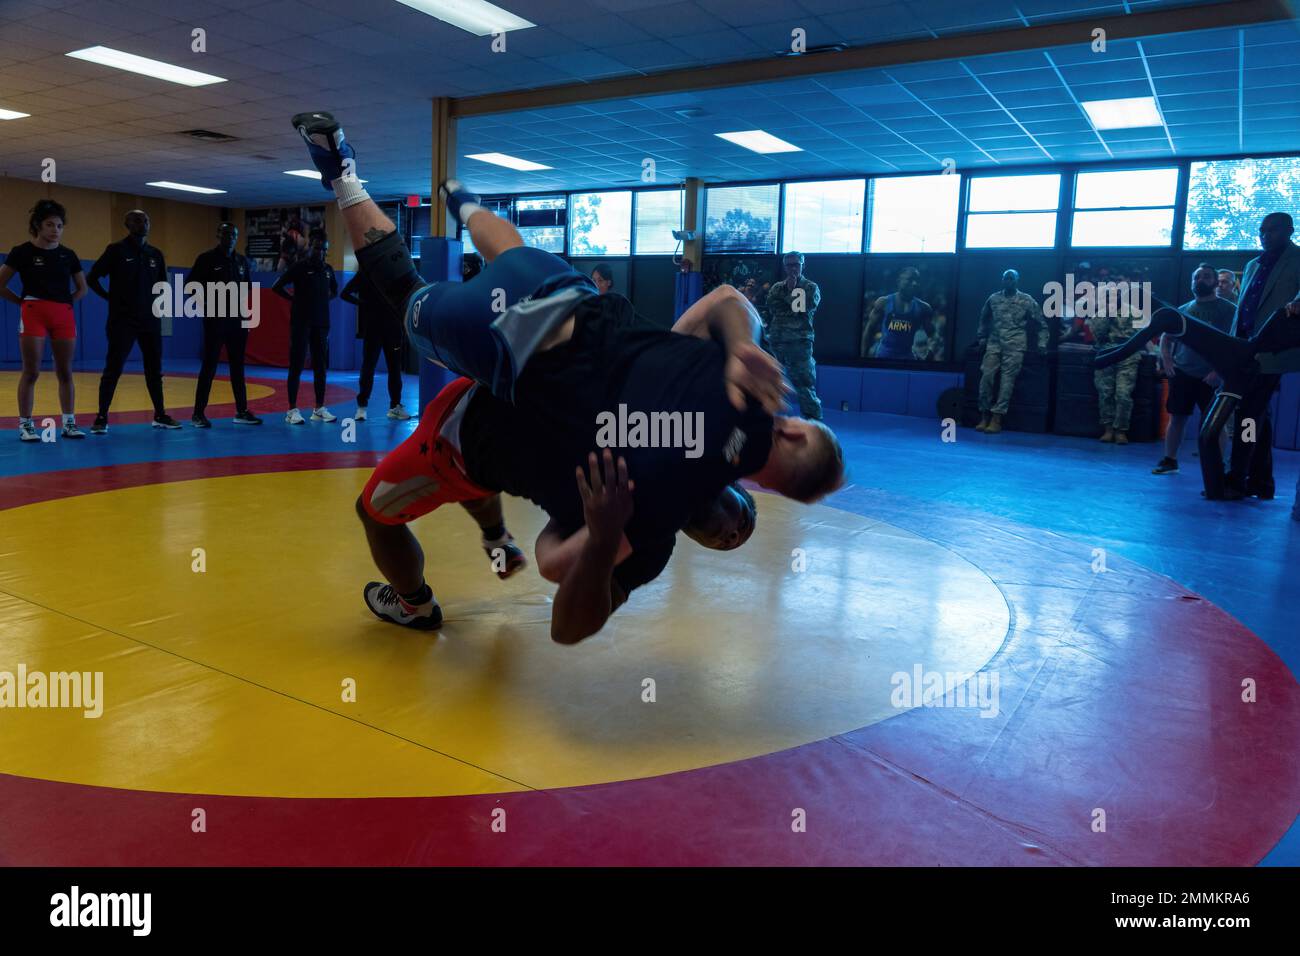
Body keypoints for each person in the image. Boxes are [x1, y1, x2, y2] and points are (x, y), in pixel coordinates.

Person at [291, 110, 841, 641]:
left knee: (493, 266)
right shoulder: (716, 409)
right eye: (737, 527)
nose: (728, 533)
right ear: (741, 482)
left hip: (498, 387)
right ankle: (416, 195)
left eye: (725, 542)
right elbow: (723, 304)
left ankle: (443, 200)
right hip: (515, 354)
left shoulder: (644, 527)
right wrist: (743, 343)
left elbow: (561, 595)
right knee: (452, 277)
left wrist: (603, 539)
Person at [1094, 298, 1300, 499]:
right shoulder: (1174, 313)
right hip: (1243, 361)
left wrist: (1100, 360)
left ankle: (1242, 482)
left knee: (1243, 428)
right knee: (1251, 425)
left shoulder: (1167, 315)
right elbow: (1133, 344)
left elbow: (1130, 346)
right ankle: (1254, 483)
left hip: (1243, 365)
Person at [1224, 212, 1300, 498]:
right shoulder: (1253, 264)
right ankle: (1262, 482)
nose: (1265, 235)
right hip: (1243, 348)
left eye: (1273, 230)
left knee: (1247, 415)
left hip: (1272, 351)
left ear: (1290, 231)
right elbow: (1243, 309)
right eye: (1262, 230)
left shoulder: (1297, 259)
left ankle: (1236, 478)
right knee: (1258, 417)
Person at [0, 200, 88, 440]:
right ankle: (26, 424)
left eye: (60, 226)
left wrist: (65, 304)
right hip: (33, 312)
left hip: (63, 314)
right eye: (50, 225)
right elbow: (0, 284)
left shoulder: (68, 255)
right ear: (38, 225)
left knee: (65, 371)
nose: (55, 230)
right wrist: (22, 302)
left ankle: (69, 423)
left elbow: (82, 288)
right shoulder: (22, 252)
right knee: (31, 371)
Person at [87, 209, 178, 433]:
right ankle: (101, 417)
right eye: (137, 220)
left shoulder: (156, 254)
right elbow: (92, 278)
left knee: (154, 370)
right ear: (127, 224)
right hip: (122, 320)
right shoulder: (116, 250)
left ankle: (160, 414)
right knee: (113, 368)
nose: (143, 223)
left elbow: (162, 287)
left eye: (146, 219)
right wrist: (110, 298)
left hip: (150, 320)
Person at [1153, 264, 1235, 474]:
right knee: (1177, 418)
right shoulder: (1182, 311)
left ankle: (1218, 466)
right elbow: (1166, 337)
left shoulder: (1228, 310)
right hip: (1183, 373)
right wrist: (1167, 360)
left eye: (1206, 277)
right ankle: (1169, 461)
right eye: (1196, 277)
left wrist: (1218, 371)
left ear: (1216, 283)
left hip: (1212, 376)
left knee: (1216, 423)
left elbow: (1234, 343)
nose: (1200, 280)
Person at [189, 222, 262, 428]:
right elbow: (191, 286)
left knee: (238, 367)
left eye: (234, 234)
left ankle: (241, 411)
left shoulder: (240, 261)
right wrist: (208, 305)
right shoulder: (206, 259)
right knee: (209, 366)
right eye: (227, 233)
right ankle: (197, 414)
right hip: (215, 321)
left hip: (237, 320)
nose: (230, 237)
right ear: (218, 234)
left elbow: (246, 287)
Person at [272, 234, 338, 424]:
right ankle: (291, 410)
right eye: (318, 248)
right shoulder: (300, 267)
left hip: (321, 324)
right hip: (301, 323)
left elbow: (334, 290)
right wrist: (294, 299)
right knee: (297, 366)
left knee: (320, 367)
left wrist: (322, 301)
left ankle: (319, 408)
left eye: (325, 249)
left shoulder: (328, 270)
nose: (322, 252)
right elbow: (277, 286)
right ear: (310, 247)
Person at [974, 269, 1044, 434]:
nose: (1008, 281)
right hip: (995, 343)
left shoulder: (1026, 300)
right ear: (1002, 280)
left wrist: (1042, 343)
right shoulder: (994, 298)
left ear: (1017, 281)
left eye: (1012, 278)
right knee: (986, 376)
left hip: (1015, 345)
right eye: (1006, 278)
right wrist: (981, 337)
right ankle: (984, 415)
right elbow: (983, 319)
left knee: (1007, 381)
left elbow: (1041, 323)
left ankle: (997, 418)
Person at [339, 271, 409, 421]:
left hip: (393, 328)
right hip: (373, 329)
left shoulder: (396, 272)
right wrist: (363, 304)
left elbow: (406, 297)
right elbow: (344, 293)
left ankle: (395, 406)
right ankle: (362, 407)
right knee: (368, 367)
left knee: (395, 369)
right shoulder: (366, 273)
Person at [765, 251, 822, 420]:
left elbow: (800, 309)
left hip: (799, 344)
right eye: (789, 265)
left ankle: (813, 423)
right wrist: (788, 294)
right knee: (768, 380)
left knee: (804, 384)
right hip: (777, 342)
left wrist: (792, 290)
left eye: (796, 264)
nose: (793, 268)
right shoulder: (776, 288)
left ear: (803, 265)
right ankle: (764, 419)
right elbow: (773, 308)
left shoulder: (811, 287)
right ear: (784, 267)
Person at [1089, 274, 1142, 445]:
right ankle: (1108, 429)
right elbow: (1097, 335)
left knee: (1123, 394)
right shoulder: (1101, 312)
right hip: (1106, 353)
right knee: (1105, 393)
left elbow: (1140, 335)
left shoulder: (1135, 312)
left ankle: (1121, 429)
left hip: (1127, 354)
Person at [863, 267, 934, 360]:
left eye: (917, 280)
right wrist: (863, 357)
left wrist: (930, 353)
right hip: (884, 357)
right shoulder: (883, 303)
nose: (914, 283)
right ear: (899, 281)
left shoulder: (923, 308)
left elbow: (932, 335)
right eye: (910, 279)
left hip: (907, 358)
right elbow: (869, 330)